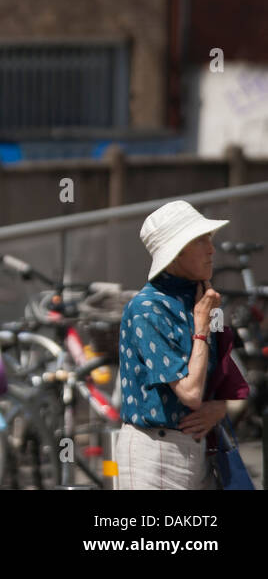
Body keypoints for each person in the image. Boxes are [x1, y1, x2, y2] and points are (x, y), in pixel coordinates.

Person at [115, 200, 248, 489]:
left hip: (201, 449)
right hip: (154, 452)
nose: (211, 249)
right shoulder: (147, 308)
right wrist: (201, 327)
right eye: (201, 240)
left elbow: (219, 375)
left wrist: (219, 407)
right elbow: (189, 393)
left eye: (209, 239)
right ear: (176, 251)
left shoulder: (204, 299)